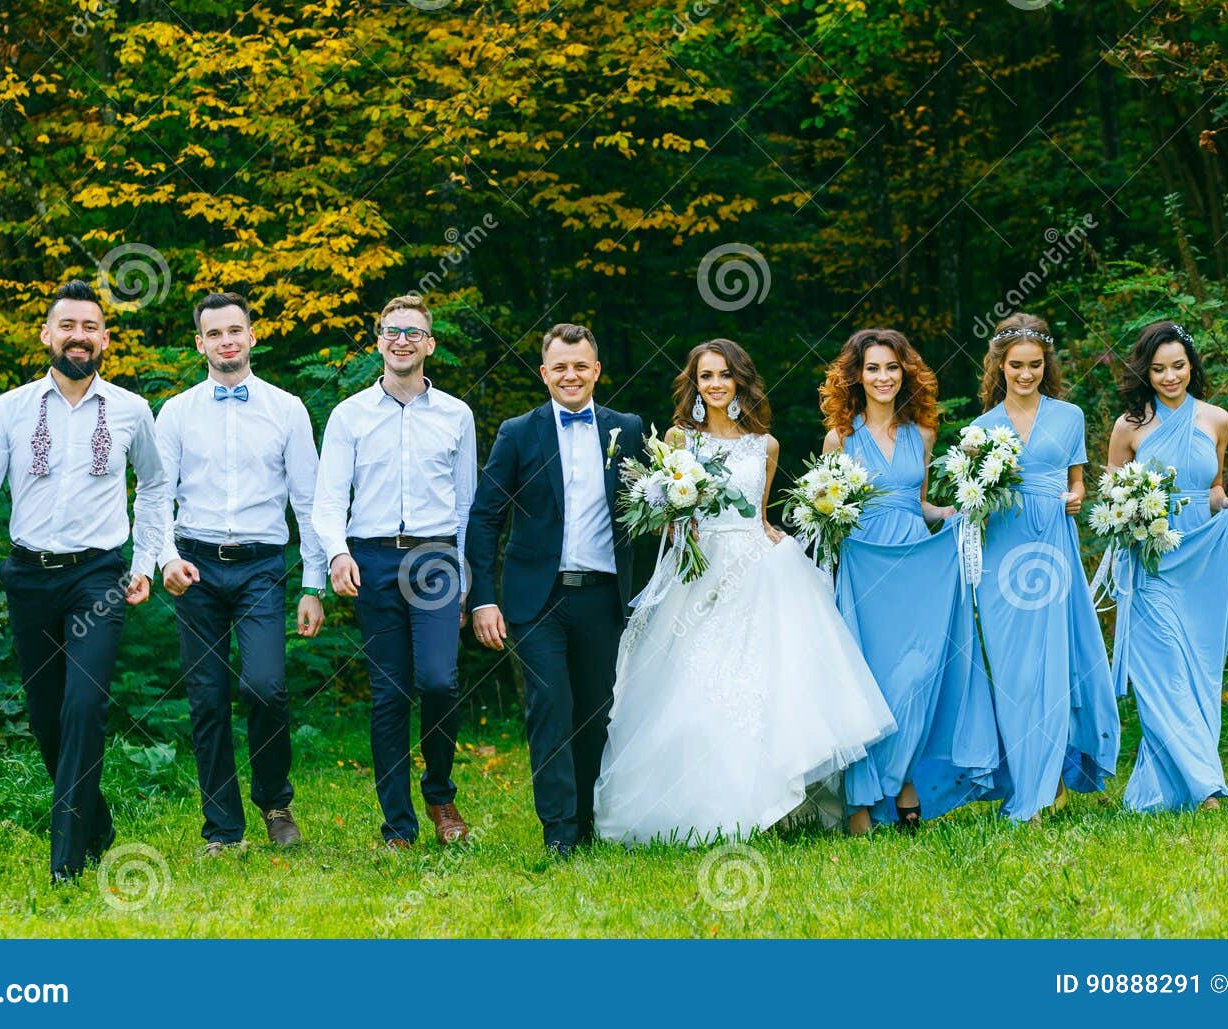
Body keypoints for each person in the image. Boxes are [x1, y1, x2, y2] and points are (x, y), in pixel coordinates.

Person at [592, 339, 896, 846]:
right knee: (697, 684)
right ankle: (705, 804)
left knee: (768, 684)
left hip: (759, 570)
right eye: (705, 376)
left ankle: (773, 802)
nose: (714, 385)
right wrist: (673, 525)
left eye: (724, 375)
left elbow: (759, 516)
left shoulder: (766, 445)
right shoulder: (678, 440)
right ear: (695, 385)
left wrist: (781, 538)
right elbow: (671, 512)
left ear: (739, 383)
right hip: (699, 569)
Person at [0, 279, 168, 881]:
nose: (79, 336)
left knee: (84, 706)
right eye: (67, 325)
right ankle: (96, 822)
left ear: (105, 339)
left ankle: (67, 861)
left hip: (98, 576)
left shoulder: (130, 410)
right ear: (46, 335)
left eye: (90, 327)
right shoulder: (11, 408)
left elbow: (154, 486)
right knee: (46, 716)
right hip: (28, 576)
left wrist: (145, 562)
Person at [466, 323, 647, 856]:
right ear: (545, 374)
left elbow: (650, 510)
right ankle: (559, 831)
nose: (571, 375)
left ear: (597, 371)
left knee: (595, 711)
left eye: (581, 365)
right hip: (535, 599)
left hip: (603, 597)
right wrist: (483, 598)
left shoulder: (628, 430)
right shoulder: (518, 432)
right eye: (560, 367)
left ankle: (588, 823)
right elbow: (484, 519)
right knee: (551, 706)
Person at [156, 292, 325, 856]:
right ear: (199, 343)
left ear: (252, 336)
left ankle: (275, 802)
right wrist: (163, 560)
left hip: (260, 568)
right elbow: (156, 497)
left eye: (236, 330)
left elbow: (309, 499)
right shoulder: (176, 412)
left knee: (265, 687)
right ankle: (223, 829)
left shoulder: (287, 409)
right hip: (194, 566)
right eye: (214, 333)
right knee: (206, 700)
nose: (226, 341)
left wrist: (313, 583)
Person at [313, 293, 478, 849]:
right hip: (373, 557)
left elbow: (466, 504)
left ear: (429, 344)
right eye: (391, 330)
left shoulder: (457, 414)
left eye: (413, 331)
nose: (401, 339)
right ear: (378, 341)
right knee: (388, 694)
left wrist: (465, 579)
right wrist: (337, 552)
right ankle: (398, 824)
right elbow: (329, 497)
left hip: (435, 558)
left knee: (438, 681)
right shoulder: (349, 415)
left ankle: (439, 790)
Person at [822, 328, 998, 834]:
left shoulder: (922, 435)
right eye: (873, 368)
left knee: (915, 679)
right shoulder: (841, 438)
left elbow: (916, 503)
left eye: (892, 367)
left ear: (905, 373)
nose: (883, 377)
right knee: (868, 686)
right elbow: (833, 505)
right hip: (864, 569)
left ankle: (900, 781)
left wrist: (954, 510)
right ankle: (861, 806)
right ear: (857, 375)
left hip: (918, 567)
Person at [971, 313, 1119, 822]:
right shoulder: (980, 429)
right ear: (999, 366)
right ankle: (1024, 780)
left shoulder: (1070, 416)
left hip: (1054, 543)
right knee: (1014, 669)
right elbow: (972, 499)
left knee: (1056, 662)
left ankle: (1051, 779)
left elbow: (1078, 482)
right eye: (1016, 365)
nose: (1026, 374)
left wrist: (1077, 497)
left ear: (1045, 365)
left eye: (1035, 365)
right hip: (1003, 550)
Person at [1104, 320, 1228, 812]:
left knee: (1199, 670)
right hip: (1153, 563)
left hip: (1203, 560)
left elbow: (1215, 484)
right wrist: (1135, 515)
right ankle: (1207, 787)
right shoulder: (1130, 426)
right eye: (1158, 369)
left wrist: (1227, 505)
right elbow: (1112, 495)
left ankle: (1171, 783)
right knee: (1163, 671)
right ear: (1146, 371)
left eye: (1178, 366)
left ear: (1191, 366)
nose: (1169, 377)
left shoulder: (1216, 419)